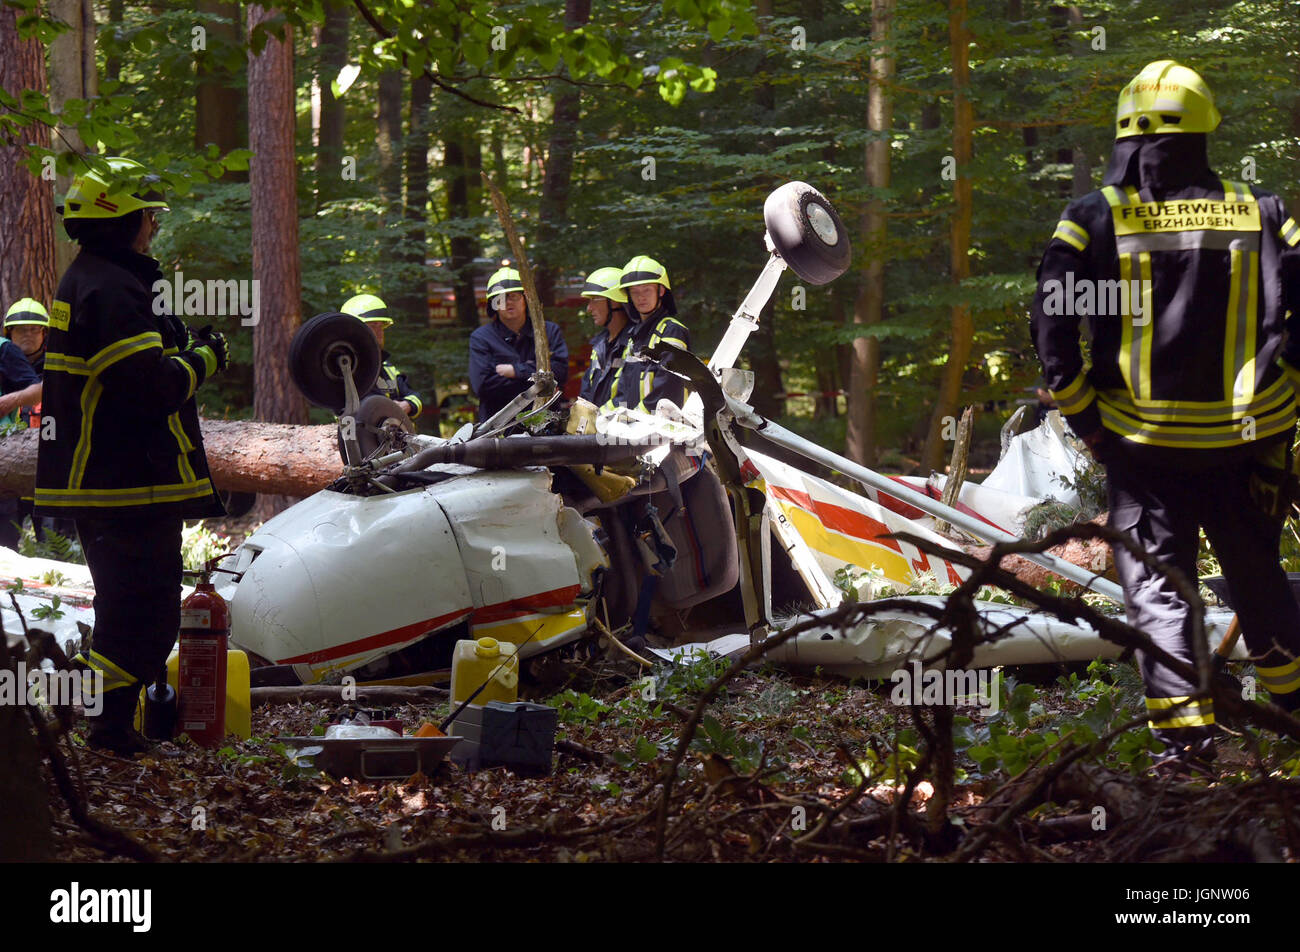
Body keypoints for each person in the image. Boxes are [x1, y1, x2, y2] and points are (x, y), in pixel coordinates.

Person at [1030, 60, 1300, 774]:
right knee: (1259, 578)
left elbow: (1054, 328)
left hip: (1142, 449)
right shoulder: (1267, 211)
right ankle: (1294, 719)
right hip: (1248, 443)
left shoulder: (1092, 218)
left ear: (1123, 131)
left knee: (1159, 594)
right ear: (1208, 128)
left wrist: (1088, 420)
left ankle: (1188, 748)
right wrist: (1287, 391)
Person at [36, 156, 228, 755]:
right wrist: (206, 358)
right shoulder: (112, 287)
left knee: (135, 619)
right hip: (122, 485)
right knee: (140, 624)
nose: (155, 226)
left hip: (119, 484)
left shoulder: (102, 278)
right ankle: (67, 712)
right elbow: (151, 388)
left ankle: (105, 728)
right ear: (127, 220)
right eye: (149, 215)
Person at [468, 266, 569, 421]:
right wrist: (538, 380)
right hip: (497, 429)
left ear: (526, 298)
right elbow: (482, 386)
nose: (508, 302)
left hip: (545, 424)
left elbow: (560, 372)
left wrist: (516, 371)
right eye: (501, 298)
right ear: (493, 304)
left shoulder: (548, 331)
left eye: (514, 296)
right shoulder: (481, 338)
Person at [605, 255, 690, 413]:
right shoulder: (634, 336)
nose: (640, 297)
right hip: (636, 430)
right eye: (634, 292)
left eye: (647, 290)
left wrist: (634, 419)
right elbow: (623, 388)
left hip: (664, 431)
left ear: (661, 290)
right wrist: (601, 416)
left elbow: (668, 389)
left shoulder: (671, 331)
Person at [0, 300, 43, 549]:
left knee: (4, 553)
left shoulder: (5, 350)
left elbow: (37, 391)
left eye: (33, 329)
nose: (27, 334)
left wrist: (6, 402)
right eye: (21, 329)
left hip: (7, 458)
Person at [339, 293, 424, 420]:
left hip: (399, 437)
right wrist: (392, 407)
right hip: (361, 438)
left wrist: (408, 405)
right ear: (353, 330)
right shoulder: (346, 371)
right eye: (373, 326)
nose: (379, 332)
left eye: (381, 327)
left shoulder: (387, 368)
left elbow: (414, 395)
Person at [577, 267, 633, 408]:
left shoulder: (636, 344)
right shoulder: (599, 345)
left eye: (594, 299)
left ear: (615, 301)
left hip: (623, 427)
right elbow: (587, 394)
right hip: (597, 428)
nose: (589, 308)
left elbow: (630, 397)